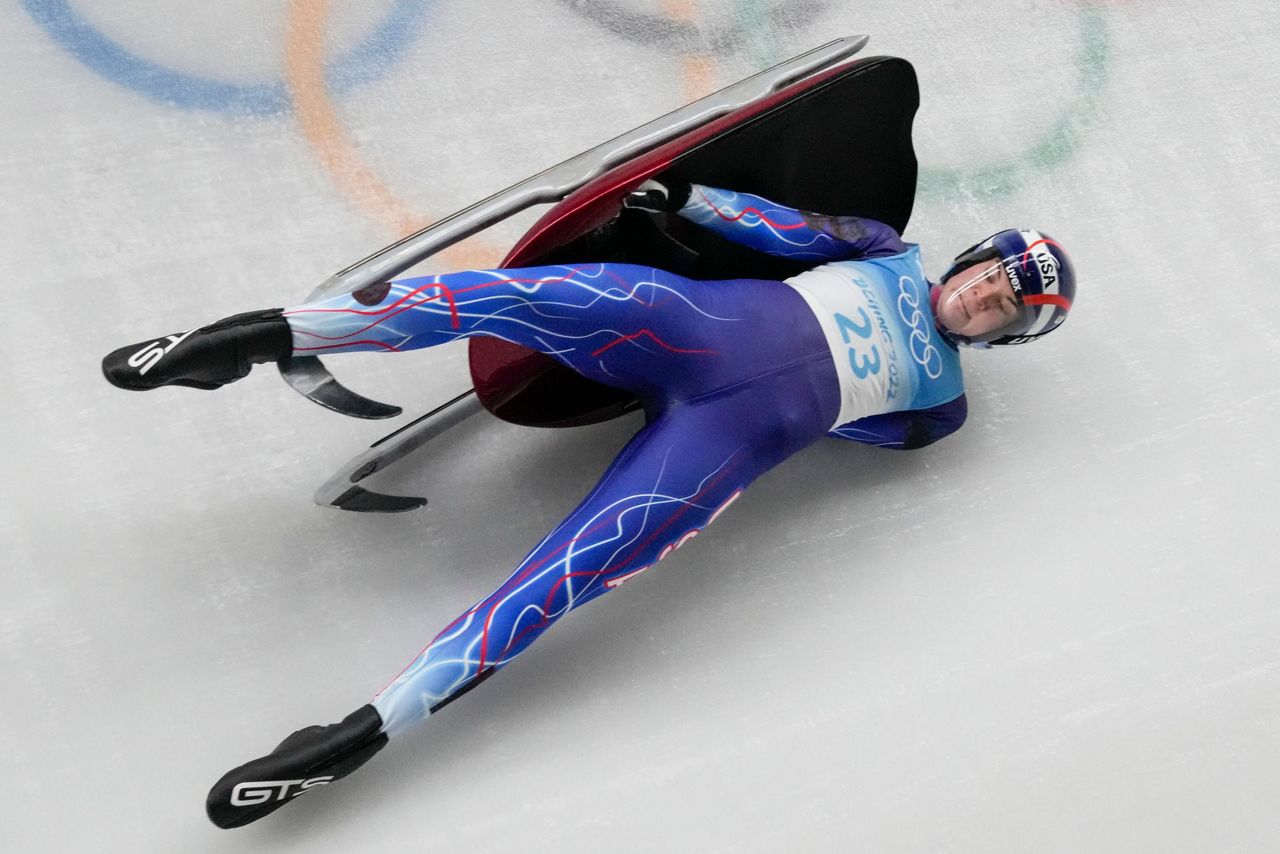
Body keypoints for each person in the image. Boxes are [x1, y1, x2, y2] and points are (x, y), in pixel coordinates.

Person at [102, 179, 1076, 828]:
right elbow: (783, 233)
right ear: (971, 257)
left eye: (1000, 306)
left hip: (712, 451)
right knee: (495, 296)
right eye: (988, 275)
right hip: (681, 325)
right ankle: (250, 335)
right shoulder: (887, 252)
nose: (980, 296)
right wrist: (692, 198)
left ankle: (361, 731)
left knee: (561, 578)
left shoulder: (936, 410)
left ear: (1004, 336)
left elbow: (845, 428)